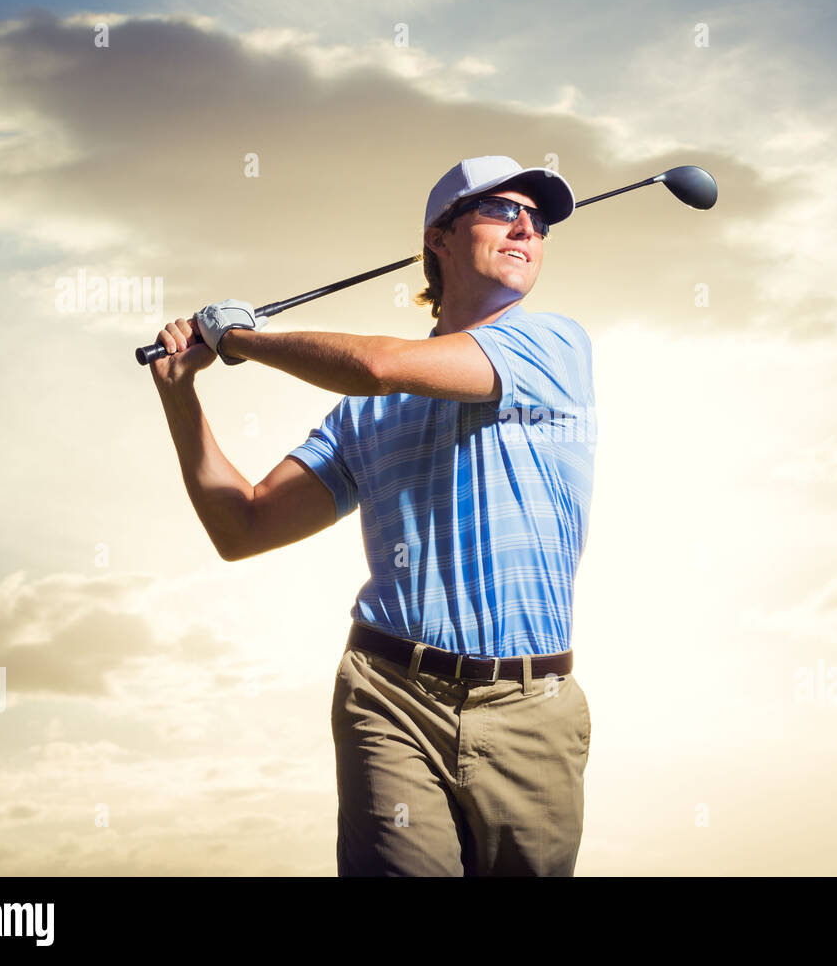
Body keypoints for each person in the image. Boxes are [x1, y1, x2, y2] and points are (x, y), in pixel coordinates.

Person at [148, 156, 596, 876]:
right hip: (391, 697)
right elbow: (243, 526)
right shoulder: (365, 415)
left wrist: (239, 341)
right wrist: (181, 396)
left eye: (538, 221)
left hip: (532, 709)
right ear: (440, 240)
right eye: (501, 210)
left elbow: (381, 363)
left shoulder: (555, 346)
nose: (526, 227)